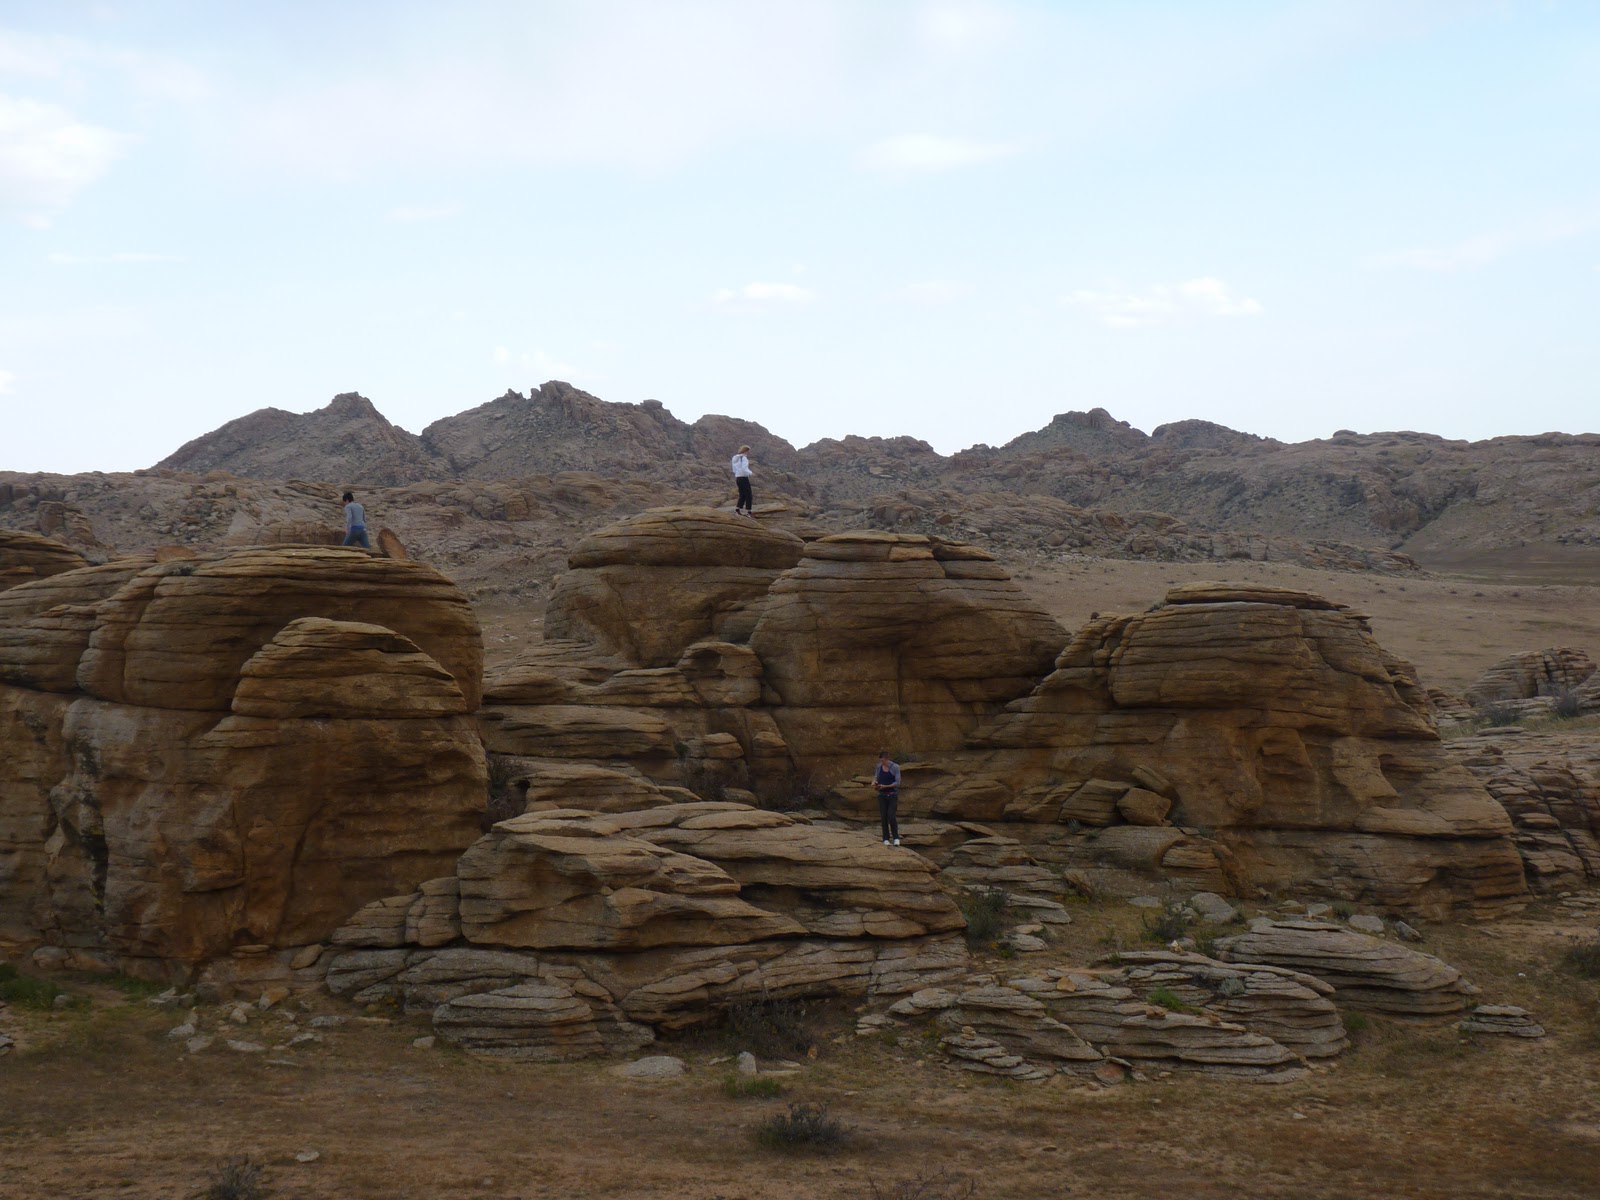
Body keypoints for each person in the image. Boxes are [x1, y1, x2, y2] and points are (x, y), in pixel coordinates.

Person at [873, 750, 902, 846]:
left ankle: (896, 838)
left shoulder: (895, 767)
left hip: (892, 794)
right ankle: (885, 838)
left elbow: (897, 783)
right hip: (882, 795)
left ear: (887, 759)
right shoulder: (878, 767)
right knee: (883, 817)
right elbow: (876, 777)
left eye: (883, 761)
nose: (882, 763)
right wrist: (874, 782)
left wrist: (886, 786)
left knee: (891, 816)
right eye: (881, 761)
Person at [730, 445, 754, 516]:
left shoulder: (735, 458)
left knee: (742, 494)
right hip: (743, 478)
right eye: (748, 451)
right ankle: (749, 512)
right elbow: (744, 468)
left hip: (738, 478)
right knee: (748, 494)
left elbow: (734, 469)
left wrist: (738, 473)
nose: (748, 453)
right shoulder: (744, 458)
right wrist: (750, 473)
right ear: (745, 451)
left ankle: (737, 510)